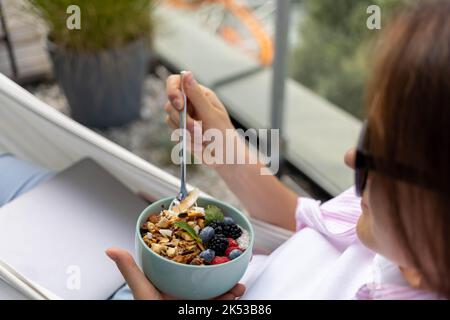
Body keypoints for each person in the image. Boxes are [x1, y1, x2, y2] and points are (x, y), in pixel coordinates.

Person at [107, 0, 450, 299]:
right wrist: (225, 147)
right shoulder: (384, 225)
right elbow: (303, 222)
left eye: (379, 152)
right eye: (367, 134)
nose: (350, 158)